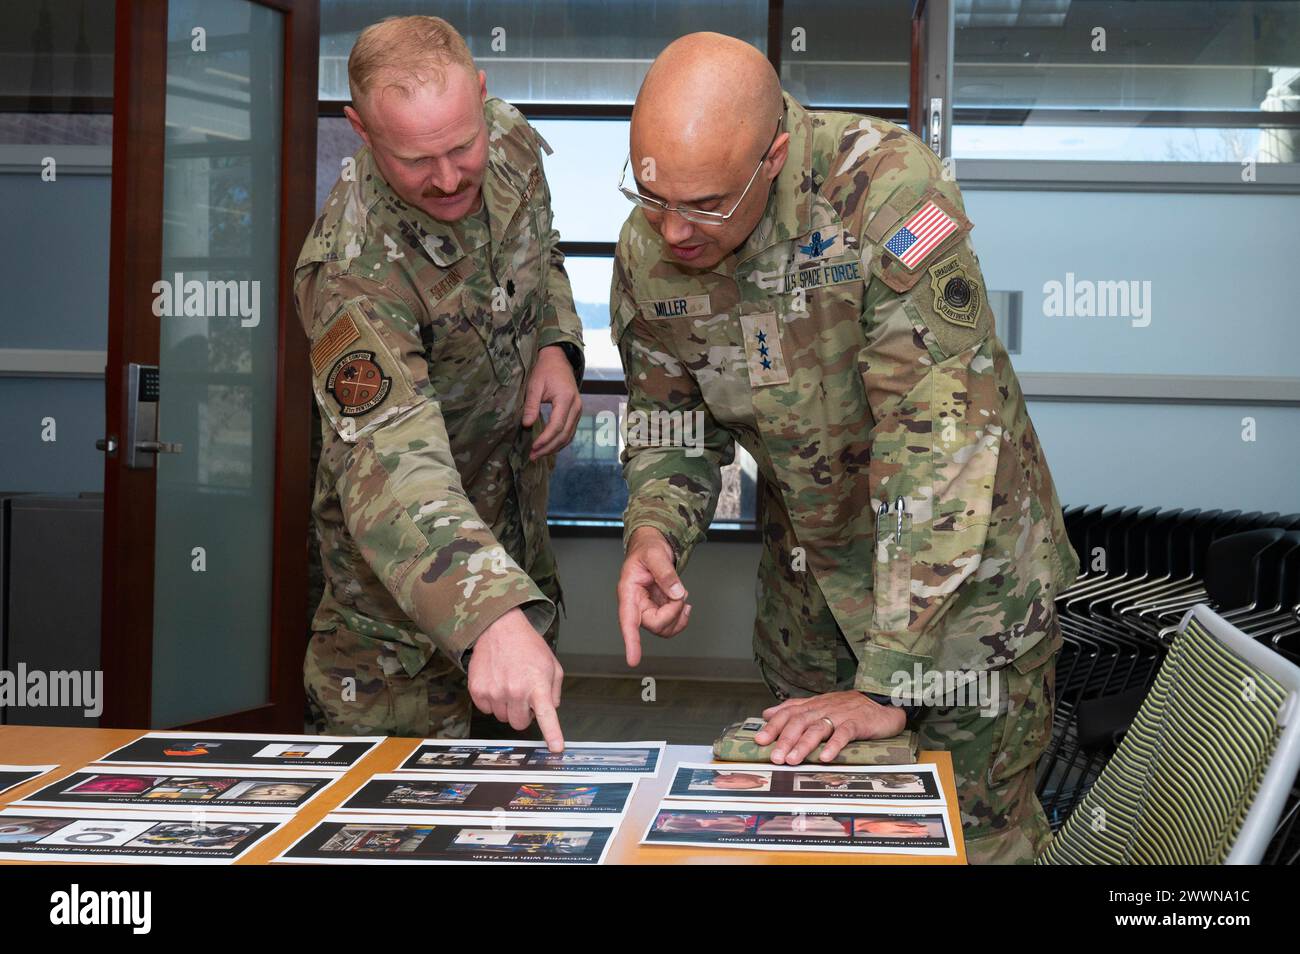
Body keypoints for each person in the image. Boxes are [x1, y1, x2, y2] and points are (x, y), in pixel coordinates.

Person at [612, 33, 1078, 863]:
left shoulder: (886, 190)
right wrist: (654, 533)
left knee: (974, 840)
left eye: (707, 204)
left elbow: (943, 439)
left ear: (775, 155)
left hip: (969, 599)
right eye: (652, 196)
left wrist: (893, 678)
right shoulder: (648, 251)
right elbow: (671, 428)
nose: (673, 230)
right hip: (814, 596)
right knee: (820, 835)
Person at [296, 16, 584, 748]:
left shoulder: (511, 140)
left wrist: (556, 344)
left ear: (482, 98)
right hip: (396, 628)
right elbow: (389, 458)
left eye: (462, 145)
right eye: (417, 160)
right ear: (361, 130)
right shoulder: (352, 271)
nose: (450, 177)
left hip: (514, 548)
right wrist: (487, 611)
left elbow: (541, 249)